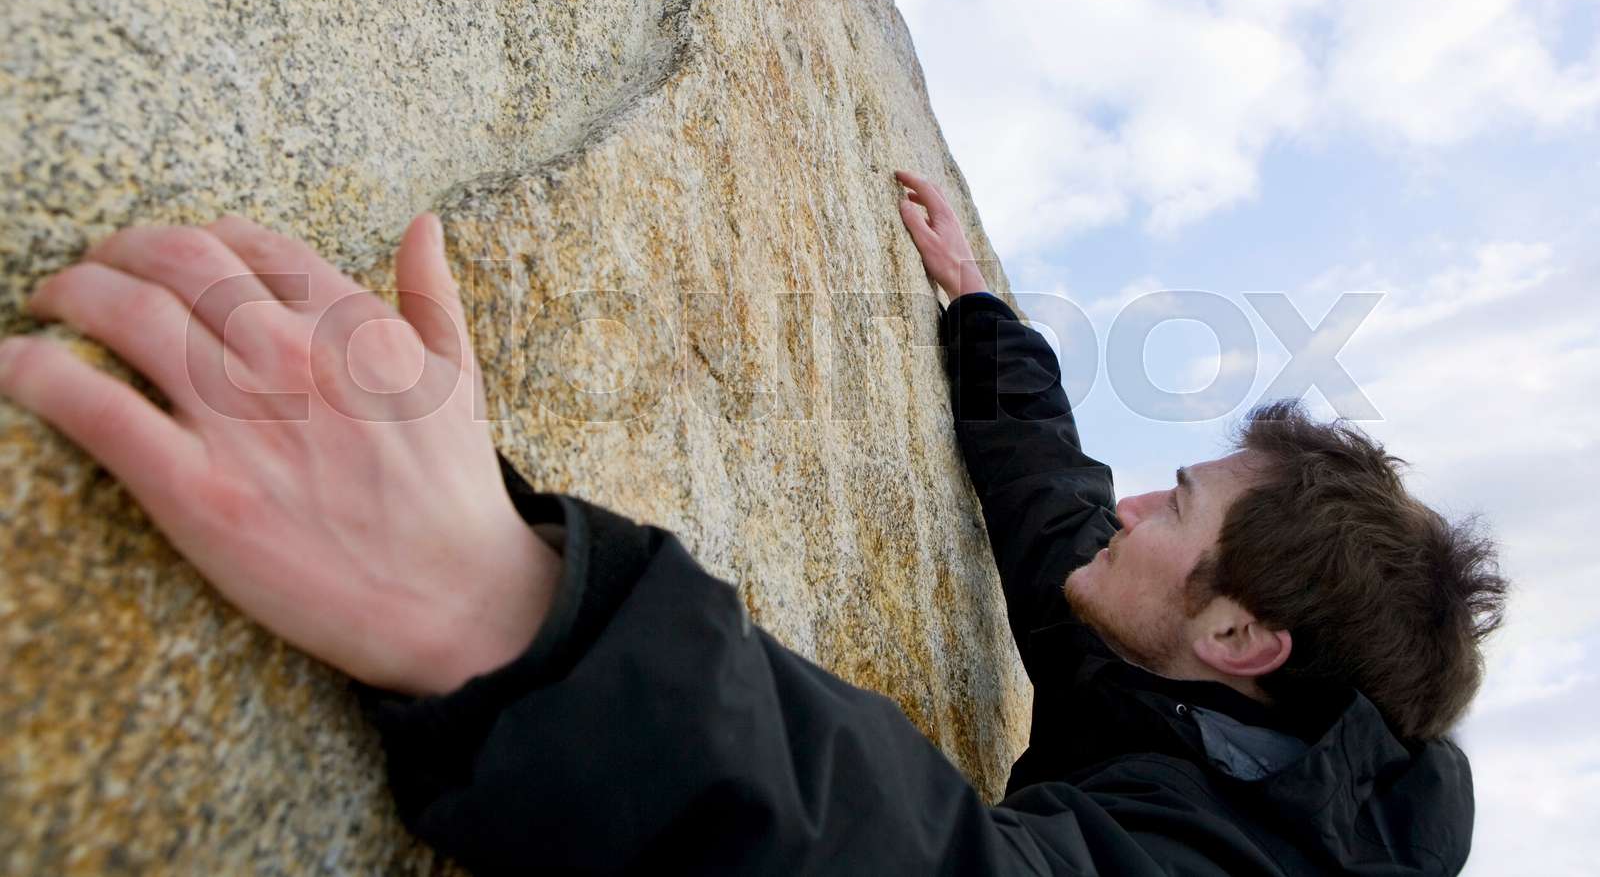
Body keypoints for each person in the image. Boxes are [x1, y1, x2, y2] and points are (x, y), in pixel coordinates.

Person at [0, 173, 1506, 874]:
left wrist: (512, 612)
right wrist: (977, 301)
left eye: (1176, 506)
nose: (1130, 501)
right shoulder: (1181, 648)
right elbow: (1051, 493)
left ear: (1242, 637)